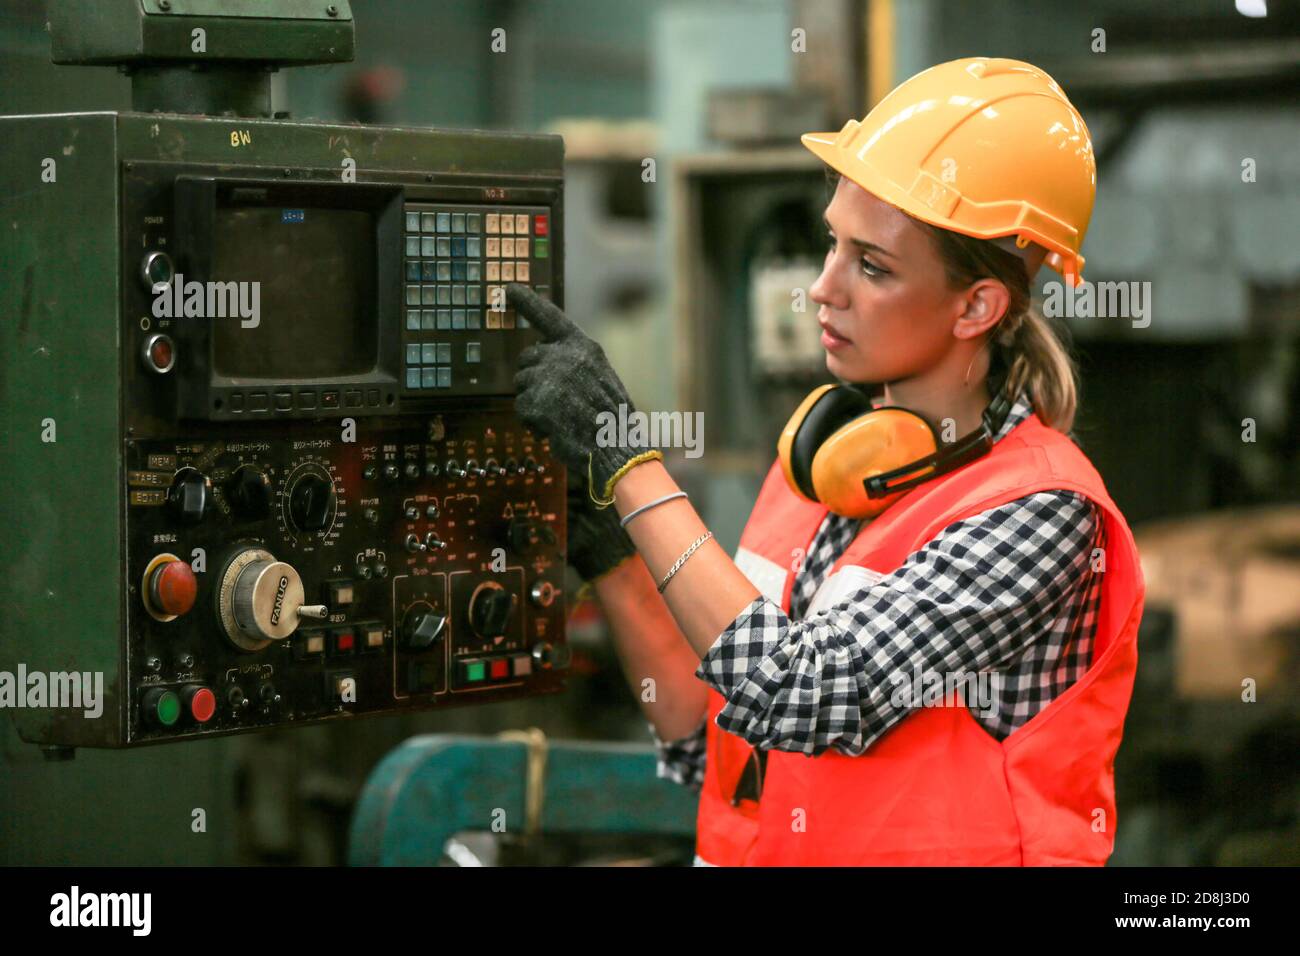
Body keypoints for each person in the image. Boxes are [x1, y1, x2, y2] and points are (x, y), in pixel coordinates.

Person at [504, 56, 1144, 866]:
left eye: (871, 266)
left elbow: (806, 693)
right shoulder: (815, 475)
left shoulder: (1039, 513)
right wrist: (615, 557)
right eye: (832, 245)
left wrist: (629, 464)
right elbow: (723, 746)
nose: (821, 287)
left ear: (977, 306)